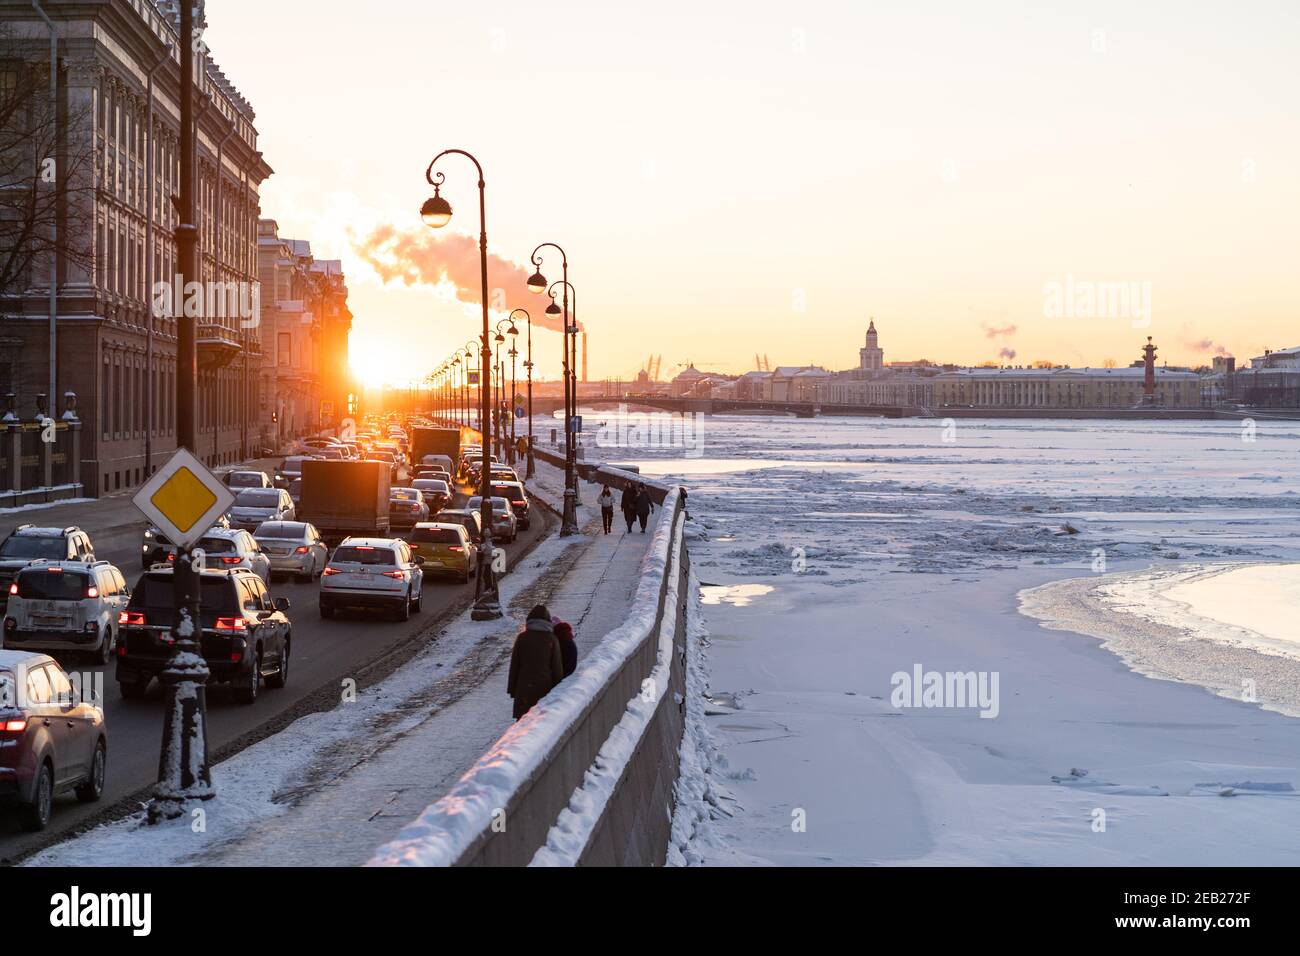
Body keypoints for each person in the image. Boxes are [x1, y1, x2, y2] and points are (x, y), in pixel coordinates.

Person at [506, 605, 564, 720]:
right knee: (540, 723)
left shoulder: (522, 638)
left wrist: (512, 690)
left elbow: (515, 666)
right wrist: (559, 690)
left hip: (524, 689)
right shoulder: (552, 639)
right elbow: (557, 668)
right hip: (544, 688)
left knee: (522, 723)